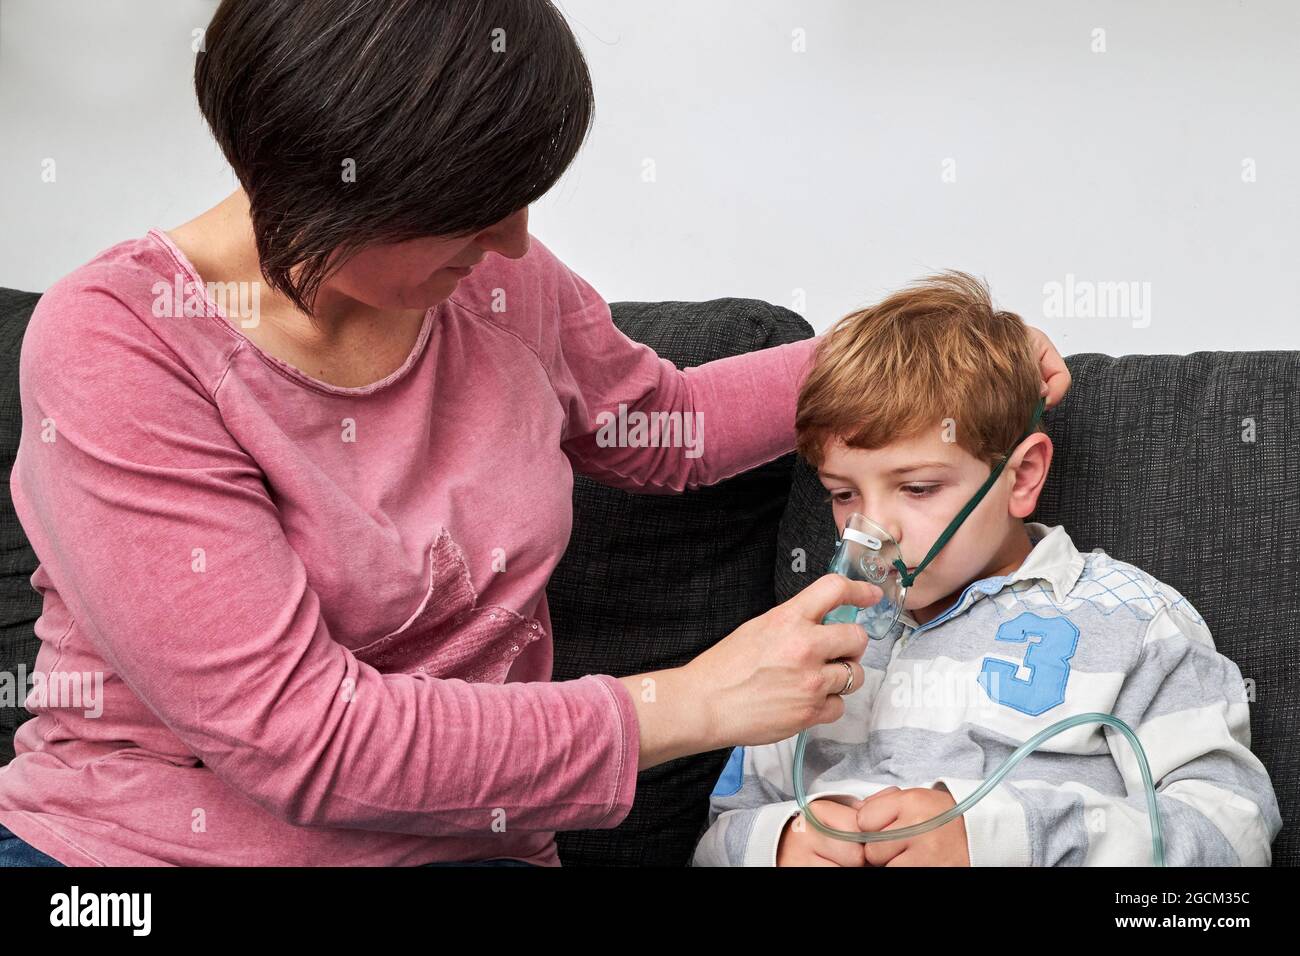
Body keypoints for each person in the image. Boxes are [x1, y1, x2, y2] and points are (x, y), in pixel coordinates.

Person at [0, 2, 1071, 867]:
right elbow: (304, 739)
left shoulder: (501, 283)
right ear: (316, 192)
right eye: (474, 208)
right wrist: (690, 700)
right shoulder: (122, 347)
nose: (515, 239)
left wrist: (941, 351)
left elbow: (669, 425)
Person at [692, 272, 1280, 866]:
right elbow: (722, 830)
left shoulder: (1130, 623)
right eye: (843, 494)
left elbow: (1233, 833)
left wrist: (994, 844)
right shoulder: (812, 642)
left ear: (1021, 477)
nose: (873, 531)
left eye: (918, 488)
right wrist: (778, 844)